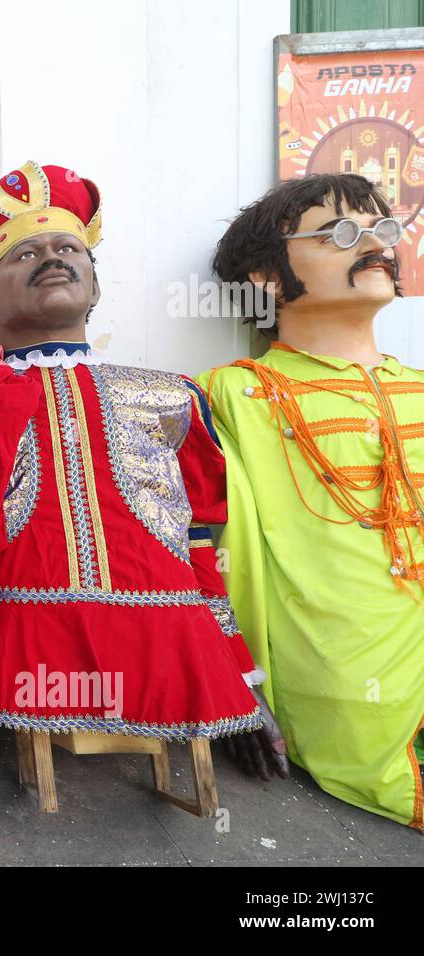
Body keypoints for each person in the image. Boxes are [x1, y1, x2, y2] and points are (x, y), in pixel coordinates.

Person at [0, 160, 285, 791]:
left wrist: (237, 685)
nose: (52, 256)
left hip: (172, 665)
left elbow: (201, 548)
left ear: (95, 287)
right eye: (23, 253)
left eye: (69, 247)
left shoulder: (171, 397)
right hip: (17, 667)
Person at [199, 172, 424, 828]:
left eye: (383, 229)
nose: (375, 246)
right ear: (268, 277)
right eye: (340, 233)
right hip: (345, 685)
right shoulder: (231, 396)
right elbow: (211, 549)